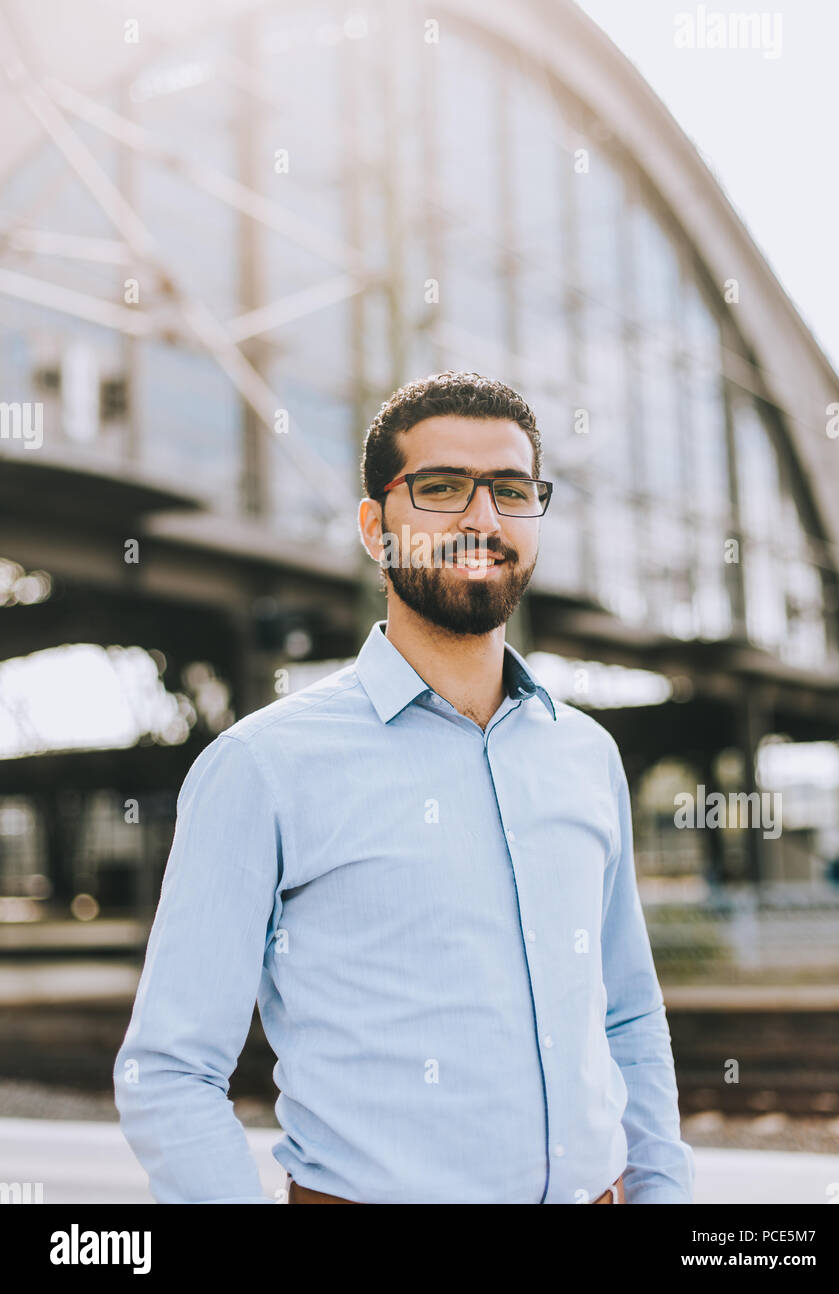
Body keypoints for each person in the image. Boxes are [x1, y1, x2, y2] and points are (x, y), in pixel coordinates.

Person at [113, 370, 695, 1204]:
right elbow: (168, 1069)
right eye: (441, 488)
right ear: (373, 528)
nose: (482, 519)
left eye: (511, 489)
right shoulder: (264, 767)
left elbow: (629, 1017)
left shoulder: (586, 755)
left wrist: (664, 1195)